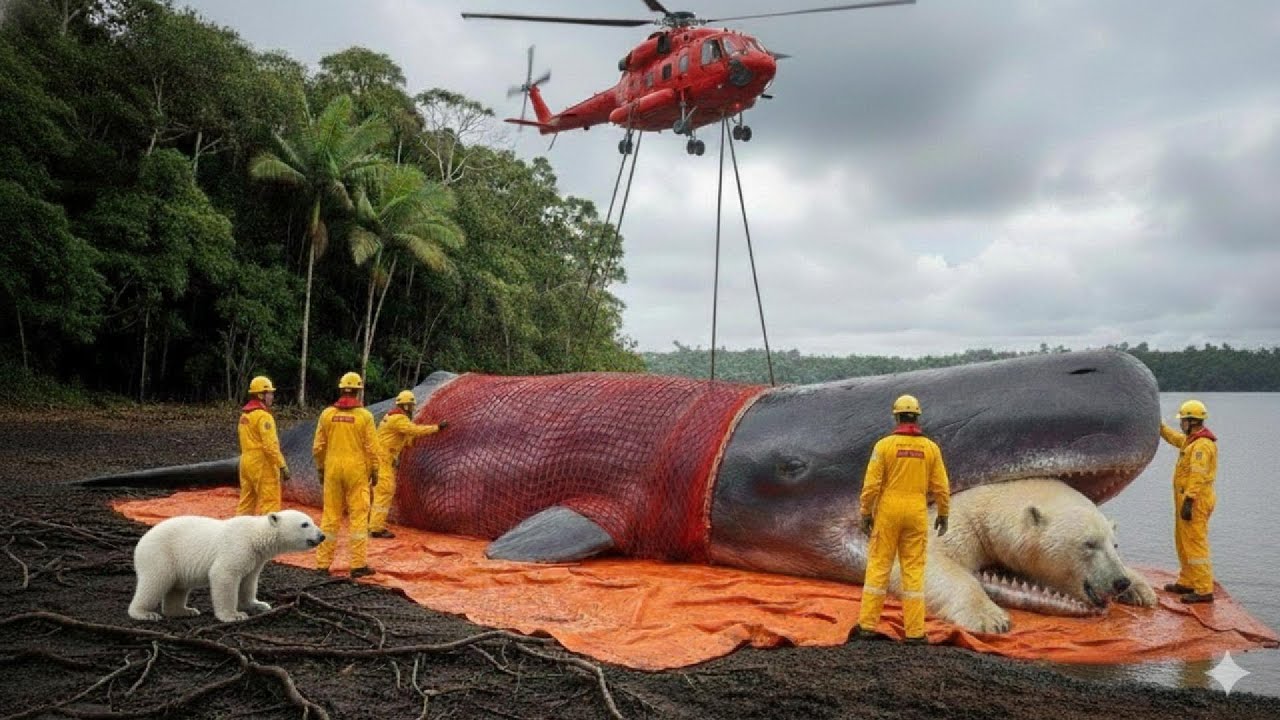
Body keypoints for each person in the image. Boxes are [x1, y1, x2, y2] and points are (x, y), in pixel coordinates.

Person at [853, 394, 950, 644]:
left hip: (889, 511)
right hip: (917, 511)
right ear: (917, 417)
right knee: (913, 571)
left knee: (878, 567)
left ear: (896, 417)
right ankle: (915, 632)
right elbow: (941, 486)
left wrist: (865, 512)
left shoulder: (884, 446)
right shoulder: (931, 449)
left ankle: (867, 626)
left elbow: (871, 485)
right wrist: (943, 512)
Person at [312, 372, 384, 579]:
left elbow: (318, 447)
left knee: (330, 517)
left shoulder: (327, 414)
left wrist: (321, 468)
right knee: (359, 517)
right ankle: (358, 564)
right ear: (358, 391)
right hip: (357, 472)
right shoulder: (365, 417)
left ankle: (322, 564)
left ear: (341, 389)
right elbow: (372, 448)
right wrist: (375, 470)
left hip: (333, 469)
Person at [1158, 399, 1218, 604]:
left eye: (1183, 420)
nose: (1181, 424)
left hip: (1195, 501)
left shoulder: (1202, 446)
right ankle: (1187, 581)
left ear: (1192, 421)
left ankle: (1203, 590)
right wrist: (1159, 428)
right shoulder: (1191, 441)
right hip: (1186, 499)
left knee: (1195, 544)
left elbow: (1198, 476)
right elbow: (1175, 438)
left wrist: (1189, 501)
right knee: (1183, 543)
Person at [370, 390, 449, 539]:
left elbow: (403, 436)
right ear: (406, 406)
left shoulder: (391, 416)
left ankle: (375, 525)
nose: (413, 408)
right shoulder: (398, 419)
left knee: (382, 492)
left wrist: (409, 442)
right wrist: (437, 428)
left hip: (381, 459)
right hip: (382, 460)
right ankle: (375, 528)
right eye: (411, 405)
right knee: (385, 492)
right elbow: (413, 430)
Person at [236, 375, 289, 516]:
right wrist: (282, 465)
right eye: (269, 393)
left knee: (246, 502)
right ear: (260, 395)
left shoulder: (244, 416)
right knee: (270, 504)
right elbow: (269, 445)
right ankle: (269, 536)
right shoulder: (264, 417)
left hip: (246, 462)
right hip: (262, 464)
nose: (272, 396)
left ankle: (239, 533)